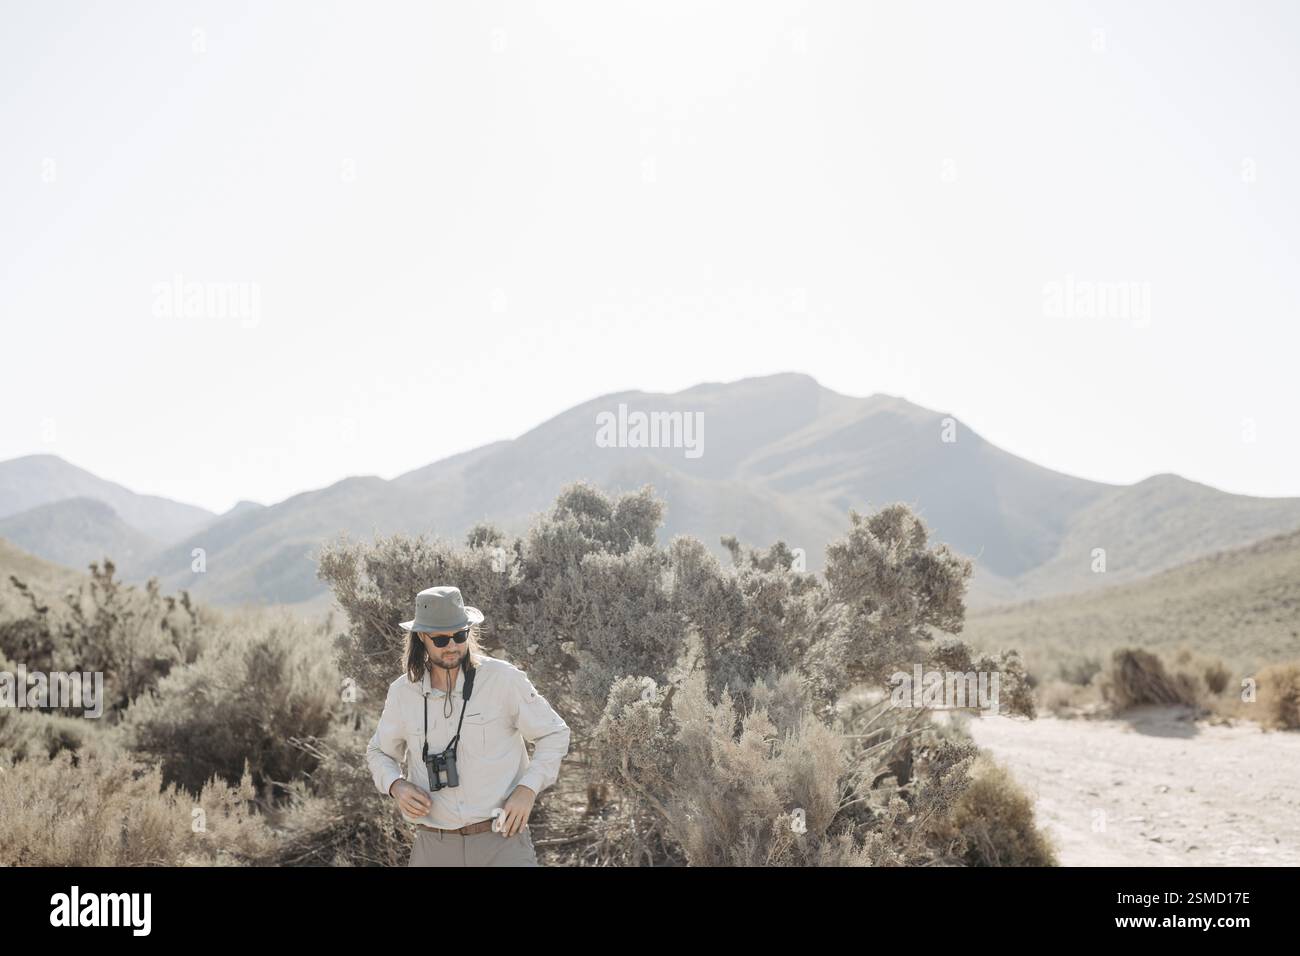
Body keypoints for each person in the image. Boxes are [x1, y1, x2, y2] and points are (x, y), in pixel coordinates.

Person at [366, 585, 571, 866]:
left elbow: (554, 733)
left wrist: (528, 789)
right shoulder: (403, 693)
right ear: (422, 638)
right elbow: (378, 752)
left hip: (502, 841)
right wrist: (396, 785)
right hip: (433, 846)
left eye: (460, 635)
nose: (452, 645)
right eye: (440, 639)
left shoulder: (503, 679)